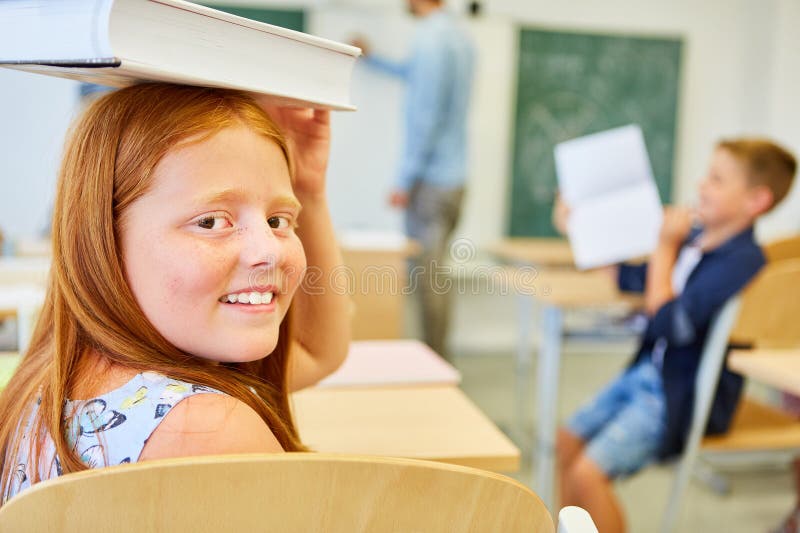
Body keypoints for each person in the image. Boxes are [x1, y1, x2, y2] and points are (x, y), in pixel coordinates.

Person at [0, 83, 351, 504]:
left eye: (278, 220)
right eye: (210, 222)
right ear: (103, 239)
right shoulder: (207, 432)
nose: (269, 251)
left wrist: (308, 191)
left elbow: (319, 351)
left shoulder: (53, 378)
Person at [553, 138, 797, 533]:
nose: (701, 186)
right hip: (648, 373)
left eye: (717, 180)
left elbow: (669, 323)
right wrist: (576, 229)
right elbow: (633, 280)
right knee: (565, 442)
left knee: (587, 474)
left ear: (756, 201)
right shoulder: (694, 239)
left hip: (682, 395)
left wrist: (664, 247)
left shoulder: (744, 261)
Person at [353, 0, 475, 358]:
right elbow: (416, 77)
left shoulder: (429, 41)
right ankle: (436, 355)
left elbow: (426, 117)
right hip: (454, 179)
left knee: (429, 279)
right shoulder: (460, 38)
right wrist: (373, 58)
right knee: (435, 274)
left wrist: (403, 181)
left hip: (431, 182)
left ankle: (435, 360)